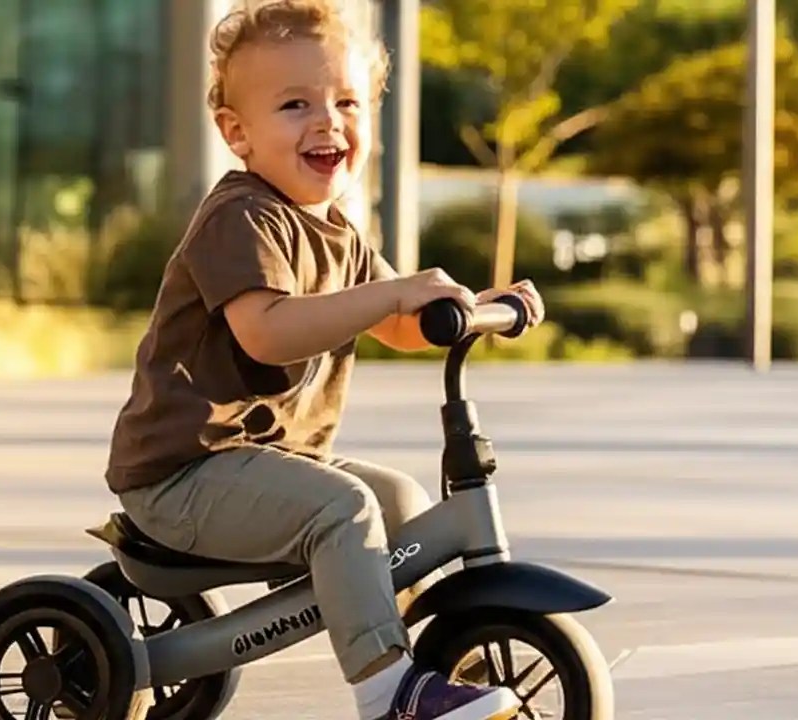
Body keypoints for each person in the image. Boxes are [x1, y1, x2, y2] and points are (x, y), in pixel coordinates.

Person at [104, 1, 544, 718]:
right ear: (236, 133)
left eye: (346, 101)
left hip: (258, 463)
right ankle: (387, 689)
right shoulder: (241, 218)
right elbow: (267, 333)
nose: (326, 122)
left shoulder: (338, 230)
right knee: (345, 507)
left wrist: (475, 307)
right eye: (295, 105)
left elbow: (401, 324)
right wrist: (393, 292)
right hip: (183, 474)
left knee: (400, 501)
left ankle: (436, 662)